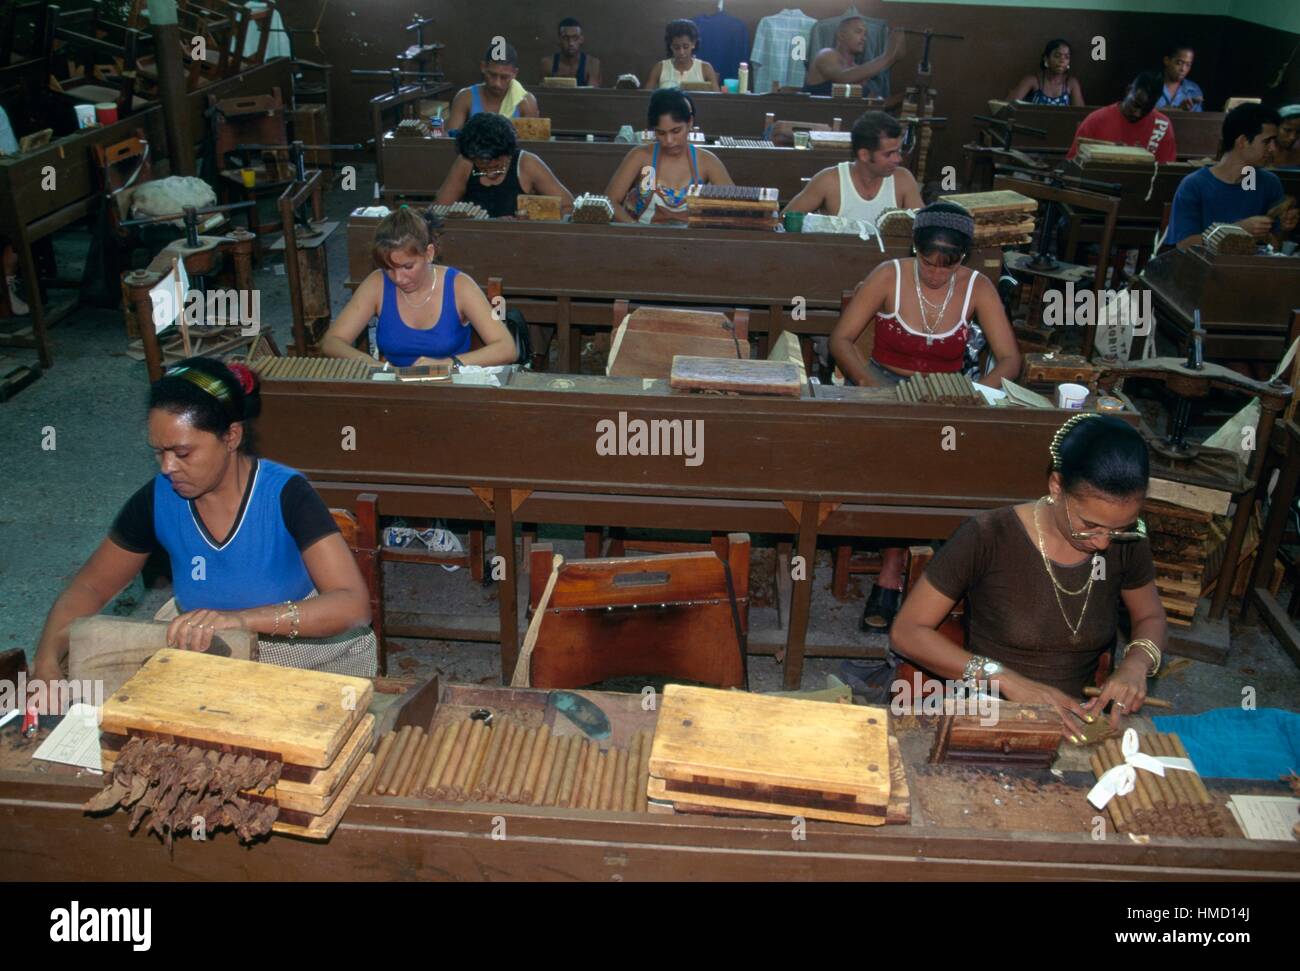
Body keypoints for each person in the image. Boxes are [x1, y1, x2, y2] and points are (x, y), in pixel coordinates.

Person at [30, 358, 378, 689]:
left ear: (231, 437)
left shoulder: (285, 494)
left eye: (182, 453)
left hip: (295, 650)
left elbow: (351, 604)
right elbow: (90, 588)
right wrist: (46, 661)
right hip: (200, 647)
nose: (167, 467)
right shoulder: (158, 499)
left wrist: (242, 621)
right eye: (158, 452)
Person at [890, 413, 1167, 736]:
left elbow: (1150, 616)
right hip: (988, 711)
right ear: (1056, 486)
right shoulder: (988, 536)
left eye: (1118, 529)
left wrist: (1136, 664)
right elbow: (907, 632)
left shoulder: (1128, 542)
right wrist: (1004, 679)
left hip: (1076, 719)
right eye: (1089, 525)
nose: (1104, 542)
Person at [830, 202, 1022, 631]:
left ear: (963, 259)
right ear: (914, 250)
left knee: (965, 466)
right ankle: (893, 570)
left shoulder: (978, 287)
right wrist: (870, 386)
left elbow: (1010, 359)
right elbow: (841, 339)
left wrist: (975, 393)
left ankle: (952, 577)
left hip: (945, 395)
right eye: (927, 262)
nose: (935, 273)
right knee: (899, 460)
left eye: (947, 265)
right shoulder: (888, 276)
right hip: (884, 385)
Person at [321, 206, 516, 368]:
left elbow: (507, 348)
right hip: (393, 386)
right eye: (389, 268)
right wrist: (372, 365)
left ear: (429, 253)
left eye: (408, 267)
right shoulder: (377, 283)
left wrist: (449, 363)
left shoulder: (459, 286)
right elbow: (332, 341)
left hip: (449, 387)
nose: (399, 278)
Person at [1168, 103, 1297, 250]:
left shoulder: (1269, 183)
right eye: (1267, 141)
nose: (1273, 148)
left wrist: (1284, 228)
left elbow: (1275, 243)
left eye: (1274, 142)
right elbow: (1185, 244)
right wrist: (1238, 230)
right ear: (1242, 141)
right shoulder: (1195, 185)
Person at [604, 90, 733, 224]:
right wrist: (636, 230)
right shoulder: (641, 157)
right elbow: (610, 201)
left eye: (676, 131)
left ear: (690, 123)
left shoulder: (707, 162)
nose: (669, 140)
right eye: (661, 133)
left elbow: (735, 206)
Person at [782, 111, 923, 223]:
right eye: (889, 154)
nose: (898, 159)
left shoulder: (903, 180)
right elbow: (784, 220)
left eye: (898, 151)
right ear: (864, 155)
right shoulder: (829, 181)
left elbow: (924, 229)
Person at [435, 113, 574, 219]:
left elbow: (568, 206)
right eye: (482, 169)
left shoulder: (528, 164)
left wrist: (535, 218)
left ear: (508, 154)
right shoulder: (465, 163)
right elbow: (438, 210)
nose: (490, 174)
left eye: (496, 166)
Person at [1067, 71, 1177, 163]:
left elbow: (1164, 173)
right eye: (1135, 105)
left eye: (1146, 109)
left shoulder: (1162, 126)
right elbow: (1072, 164)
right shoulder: (1096, 120)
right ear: (1128, 90)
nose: (1137, 114)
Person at [445, 41, 539, 134]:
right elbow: (450, 140)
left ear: (515, 73)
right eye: (492, 75)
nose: (497, 83)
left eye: (504, 77)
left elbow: (532, 144)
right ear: (483, 67)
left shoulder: (526, 103)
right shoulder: (465, 98)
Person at [803, 16, 904, 97]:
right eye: (858, 32)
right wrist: (887, 56)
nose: (864, 38)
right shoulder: (826, 55)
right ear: (841, 35)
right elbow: (842, 77)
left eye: (865, 34)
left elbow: (876, 103)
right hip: (815, 118)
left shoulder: (857, 70)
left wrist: (905, 97)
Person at [645, 20, 720, 92]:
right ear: (671, 46)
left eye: (686, 47)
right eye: (676, 47)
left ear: (693, 43)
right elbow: (645, 98)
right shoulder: (660, 68)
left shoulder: (705, 68)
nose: (681, 52)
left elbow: (716, 100)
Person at [1007, 38, 1084, 107]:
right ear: (1046, 59)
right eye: (1057, 56)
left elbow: (1079, 115)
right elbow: (1009, 106)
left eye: (1066, 57)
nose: (1062, 61)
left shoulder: (1071, 83)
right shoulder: (1033, 80)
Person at [541, 17, 602, 87]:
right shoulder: (547, 63)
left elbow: (592, 94)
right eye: (566, 38)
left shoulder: (592, 64)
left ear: (581, 39)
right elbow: (542, 93)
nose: (571, 43)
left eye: (575, 38)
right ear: (559, 39)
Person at [1155, 43, 1203, 112]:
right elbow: (1141, 112)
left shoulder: (1194, 90)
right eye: (1179, 63)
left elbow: (1198, 121)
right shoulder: (1148, 85)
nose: (1183, 69)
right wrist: (1177, 109)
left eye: (1188, 65)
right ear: (1166, 61)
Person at [1272, 104, 1300, 168]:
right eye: (1287, 130)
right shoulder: (1261, 152)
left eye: (1298, 132)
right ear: (1275, 127)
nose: (1292, 137)